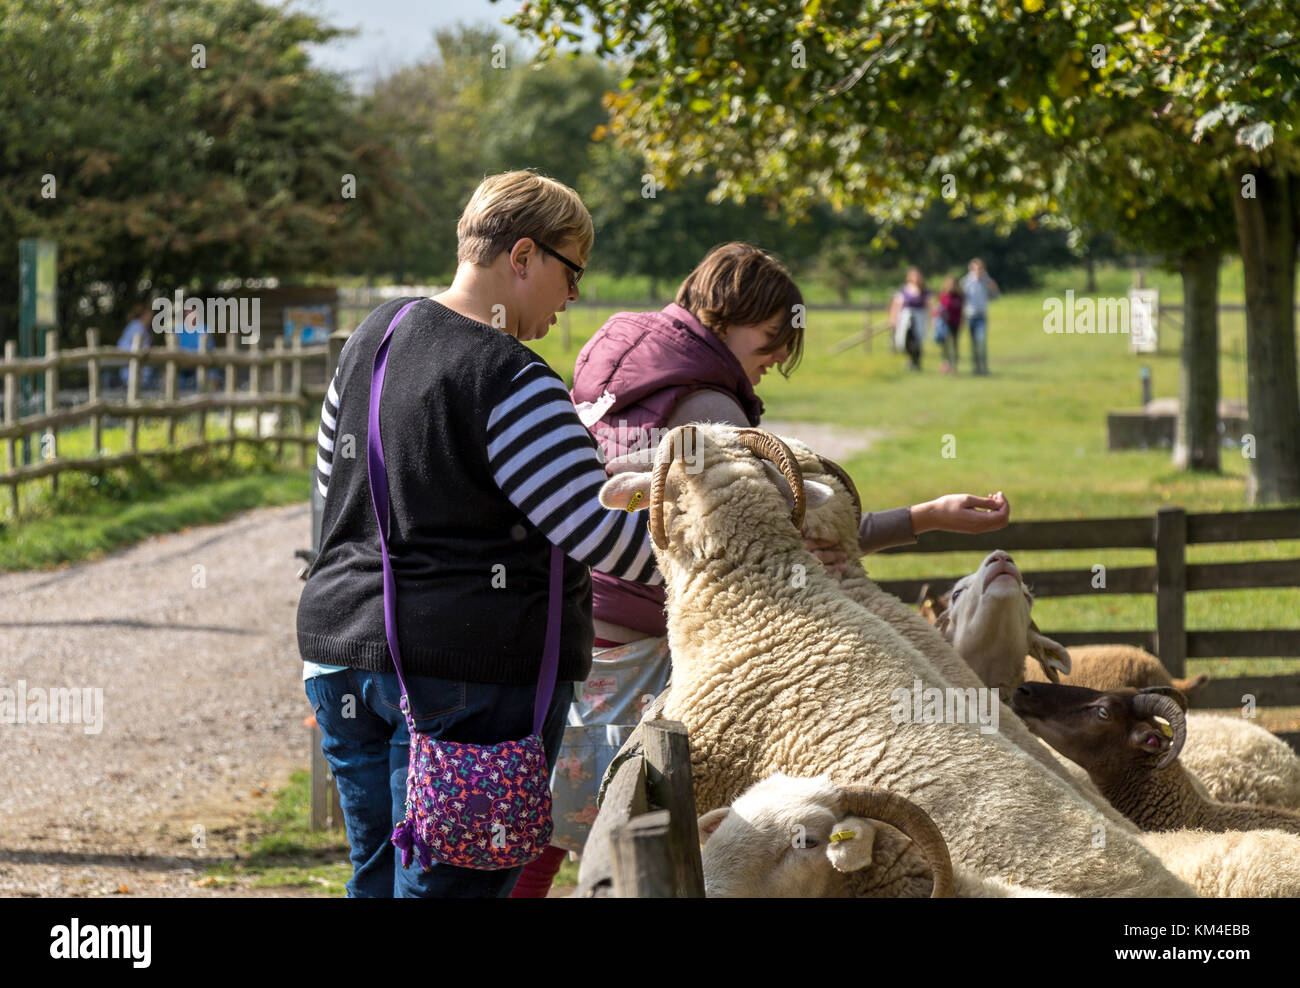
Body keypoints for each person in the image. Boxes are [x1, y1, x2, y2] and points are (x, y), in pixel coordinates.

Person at [510, 243, 1012, 897]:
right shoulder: (713, 412)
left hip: (584, 618)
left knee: (554, 814)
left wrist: (924, 514)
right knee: (659, 819)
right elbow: (777, 540)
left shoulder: (619, 353)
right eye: (773, 337)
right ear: (725, 312)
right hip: (667, 635)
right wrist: (914, 520)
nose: (777, 356)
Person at [296, 170, 661, 898]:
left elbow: (328, 498)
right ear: (522, 257)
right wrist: (719, 568)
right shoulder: (510, 376)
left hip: (342, 656)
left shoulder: (372, 337)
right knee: (449, 890)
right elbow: (597, 531)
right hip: (463, 677)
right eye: (572, 271)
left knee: (378, 876)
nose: (575, 296)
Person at [960, 258, 1000, 376]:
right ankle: (976, 367)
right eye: (975, 269)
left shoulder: (986, 282)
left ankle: (984, 367)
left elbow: (995, 297)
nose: (978, 271)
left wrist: (993, 287)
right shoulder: (966, 282)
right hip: (970, 316)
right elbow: (961, 299)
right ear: (971, 269)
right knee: (973, 344)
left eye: (980, 269)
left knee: (981, 342)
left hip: (981, 316)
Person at [889, 267, 929, 372]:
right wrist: (893, 318)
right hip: (905, 318)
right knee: (904, 342)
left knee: (917, 341)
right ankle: (910, 359)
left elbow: (929, 304)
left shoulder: (924, 290)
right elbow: (896, 304)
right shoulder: (903, 289)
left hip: (919, 318)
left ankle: (916, 363)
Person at [115, 304, 155, 389]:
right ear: (144, 315)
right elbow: (123, 346)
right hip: (132, 370)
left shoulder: (143, 329)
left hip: (140, 371)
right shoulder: (136, 327)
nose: (151, 318)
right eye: (150, 315)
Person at [934, 276, 964, 374]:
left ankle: (954, 366)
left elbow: (961, 310)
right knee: (945, 346)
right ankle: (945, 364)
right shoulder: (943, 296)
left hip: (955, 323)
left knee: (955, 345)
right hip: (944, 324)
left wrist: (962, 321)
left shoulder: (959, 296)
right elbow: (939, 309)